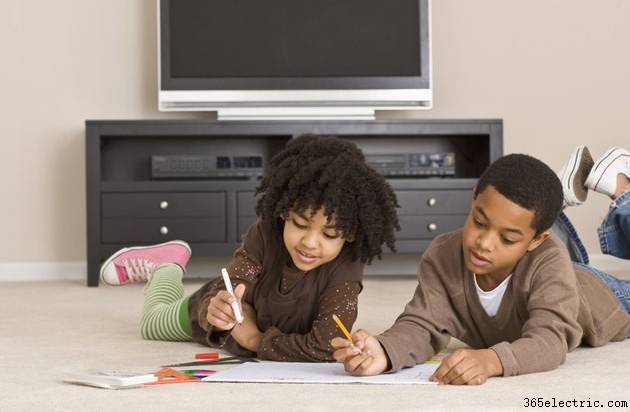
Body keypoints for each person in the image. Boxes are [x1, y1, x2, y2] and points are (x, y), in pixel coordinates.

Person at [332, 147, 630, 385]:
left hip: (600, 296)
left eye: (507, 238)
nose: (484, 243)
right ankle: (554, 206)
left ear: (535, 240)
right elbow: (422, 323)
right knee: (535, 243)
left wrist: (491, 360)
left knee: (557, 258)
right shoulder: (443, 254)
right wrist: (385, 351)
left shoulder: (548, 257)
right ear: (474, 199)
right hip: (545, 264)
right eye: (479, 222)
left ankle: (622, 189)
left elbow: (550, 340)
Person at [99, 134, 400, 362]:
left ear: (349, 235)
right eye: (299, 223)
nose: (309, 242)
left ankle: (168, 264)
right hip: (217, 325)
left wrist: (257, 341)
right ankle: (167, 266)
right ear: (284, 213)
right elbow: (230, 287)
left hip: (256, 333)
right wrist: (217, 312)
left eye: (330, 234)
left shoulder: (347, 266)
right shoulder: (265, 233)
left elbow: (324, 345)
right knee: (151, 325)